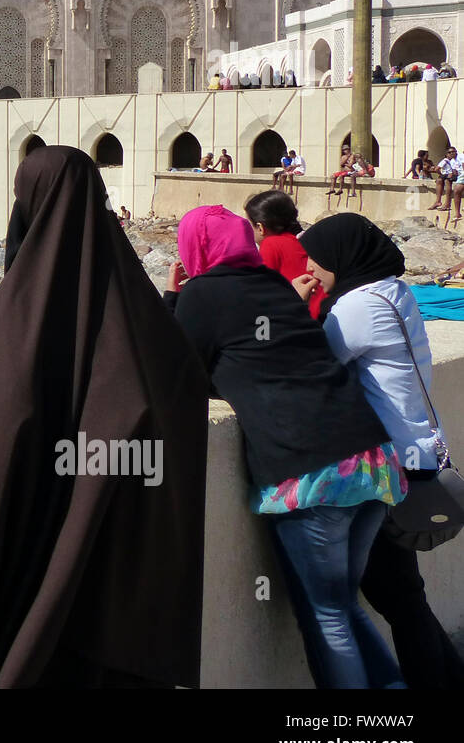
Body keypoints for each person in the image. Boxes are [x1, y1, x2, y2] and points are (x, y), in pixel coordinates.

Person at [0, 146, 209, 688]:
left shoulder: (28, 301)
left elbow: (0, 425)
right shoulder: (132, 291)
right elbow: (177, 386)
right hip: (129, 578)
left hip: (59, 572)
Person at [165, 206, 404, 689]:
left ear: (197, 247)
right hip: (370, 458)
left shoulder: (203, 293)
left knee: (326, 617)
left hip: (311, 470)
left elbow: (176, 366)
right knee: (342, 606)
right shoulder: (274, 285)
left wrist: (174, 294)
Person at [296, 214, 464, 688]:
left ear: (342, 257)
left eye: (318, 256)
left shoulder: (356, 306)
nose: (311, 264)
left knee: (398, 598)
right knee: (403, 595)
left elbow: (310, 366)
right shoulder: (395, 291)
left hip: (386, 466)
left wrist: (294, 306)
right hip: (418, 453)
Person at [245, 190, 325, 320]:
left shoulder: (271, 244)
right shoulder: (305, 241)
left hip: (297, 316)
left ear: (260, 228)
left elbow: (261, 291)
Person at [428, 146, 460, 211]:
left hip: (457, 175)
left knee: (447, 181)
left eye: (453, 152)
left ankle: (447, 203)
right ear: (446, 154)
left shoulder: (458, 159)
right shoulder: (447, 160)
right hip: (450, 175)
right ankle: (438, 201)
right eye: (449, 152)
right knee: (439, 180)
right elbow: (437, 169)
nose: (451, 153)